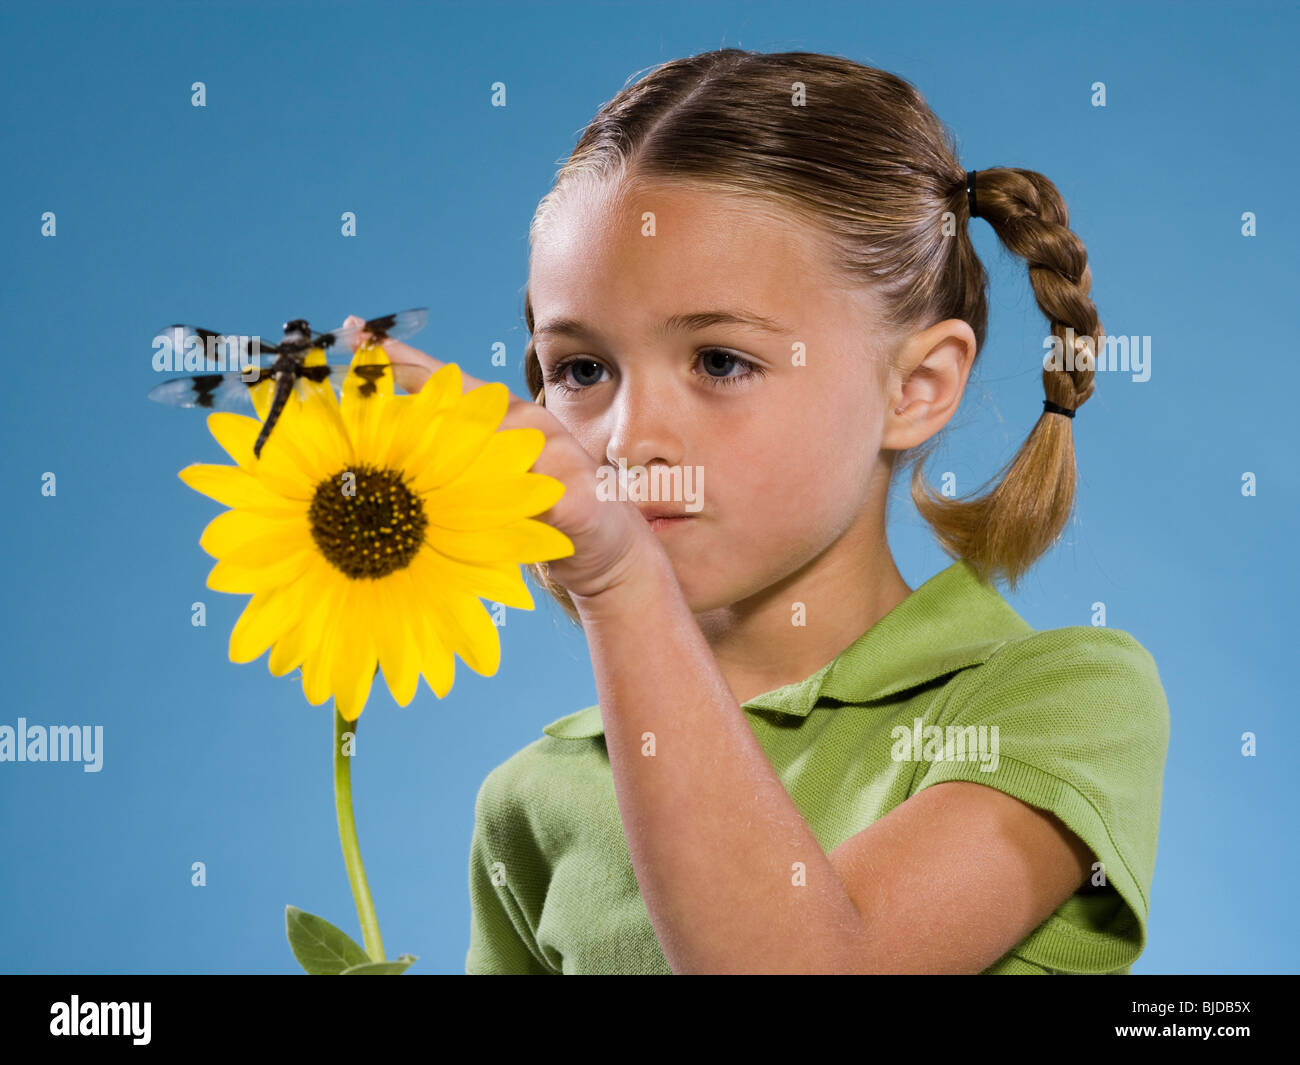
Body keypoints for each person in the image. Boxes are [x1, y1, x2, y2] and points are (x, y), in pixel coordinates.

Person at [370, 48, 1170, 974]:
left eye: (719, 361)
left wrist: (622, 585)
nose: (630, 442)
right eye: (582, 371)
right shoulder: (532, 801)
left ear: (916, 385)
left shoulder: (1059, 698)